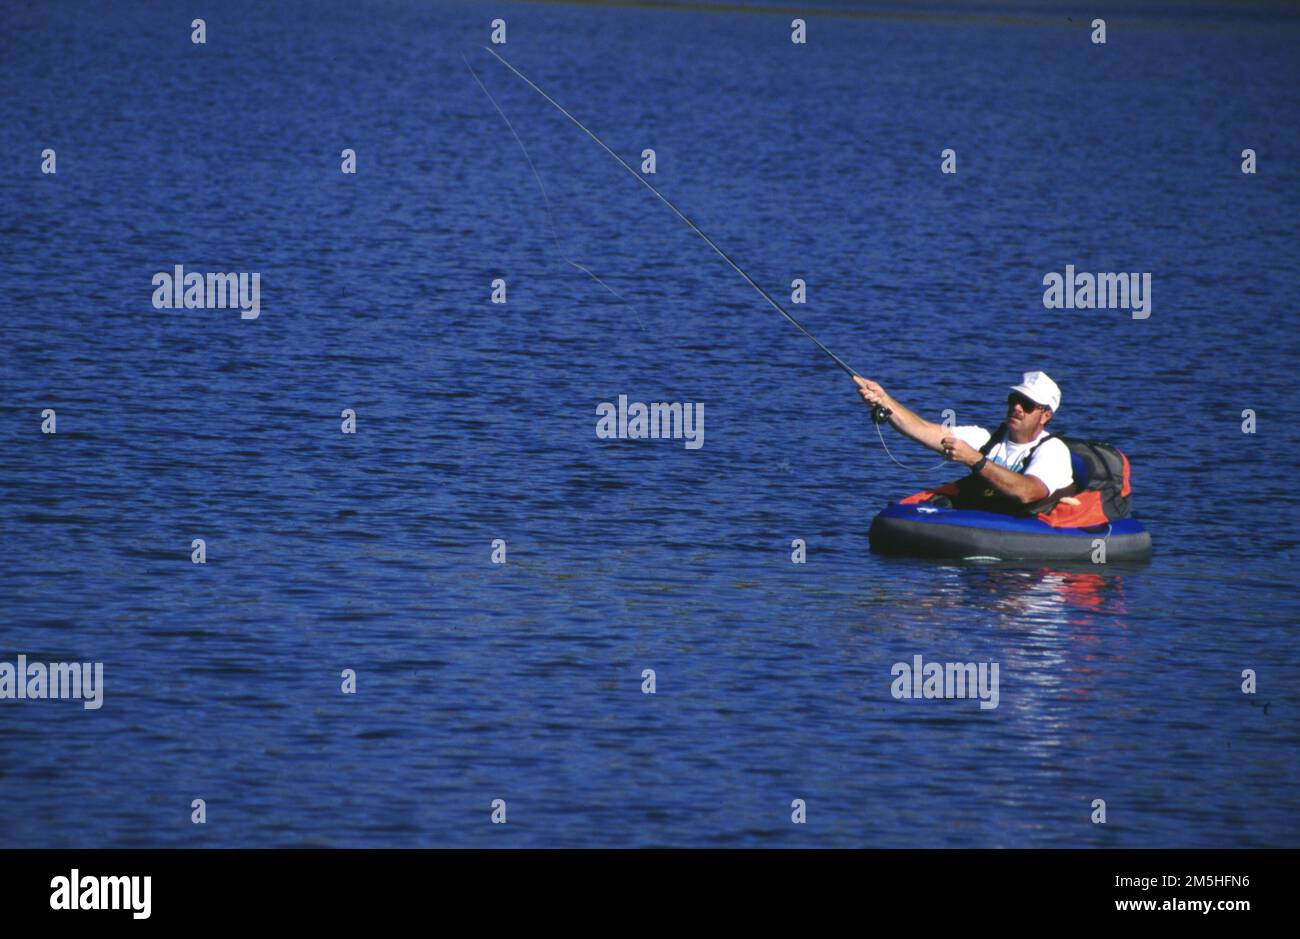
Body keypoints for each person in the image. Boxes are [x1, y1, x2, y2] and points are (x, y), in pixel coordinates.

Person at [853, 371, 1075, 515]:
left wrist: (975, 460)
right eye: (1014, 400)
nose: (1017, 407)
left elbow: (1027, 492)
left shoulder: (1053, 451)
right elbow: (921, 429)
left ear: (1046, 415)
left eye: (1026, 404)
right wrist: (884, 400)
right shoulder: (984, 439)